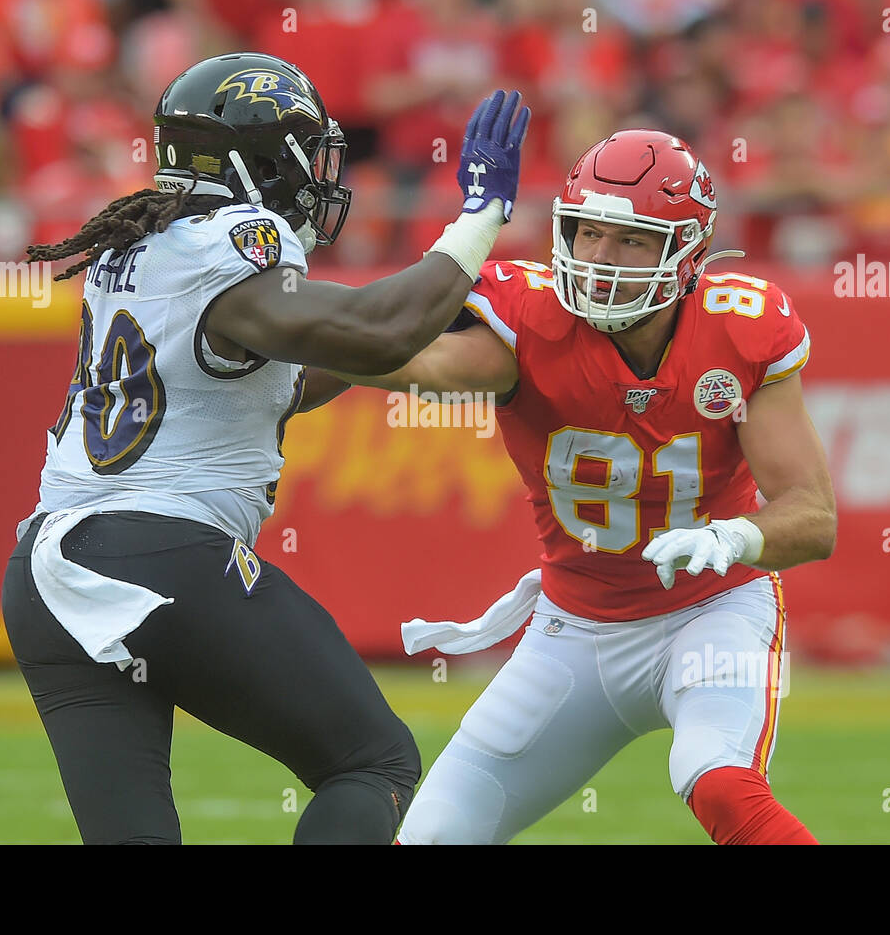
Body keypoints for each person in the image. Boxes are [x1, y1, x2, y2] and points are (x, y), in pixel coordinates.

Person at [0, 51, 530, 844]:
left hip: (45, 571)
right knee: (373, 761)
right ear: (266, 156)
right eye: (310, 152)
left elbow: (292, 374)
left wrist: (443, 311)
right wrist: (479, 220)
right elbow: (373, 329)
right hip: (162, 551)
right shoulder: (239, 238)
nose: (319, 176)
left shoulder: (139, 244)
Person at [340, 129, 835, 844]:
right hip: (574, 630)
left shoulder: (738, 329)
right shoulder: (533, 320)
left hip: (711, 609)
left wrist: (732, 536)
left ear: (688, 253)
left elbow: (814, 516)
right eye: (586, 231)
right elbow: (408, 359)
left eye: (631, 240)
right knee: (432, 837)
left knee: (718, 776)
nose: (600, 259)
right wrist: (283, 331)